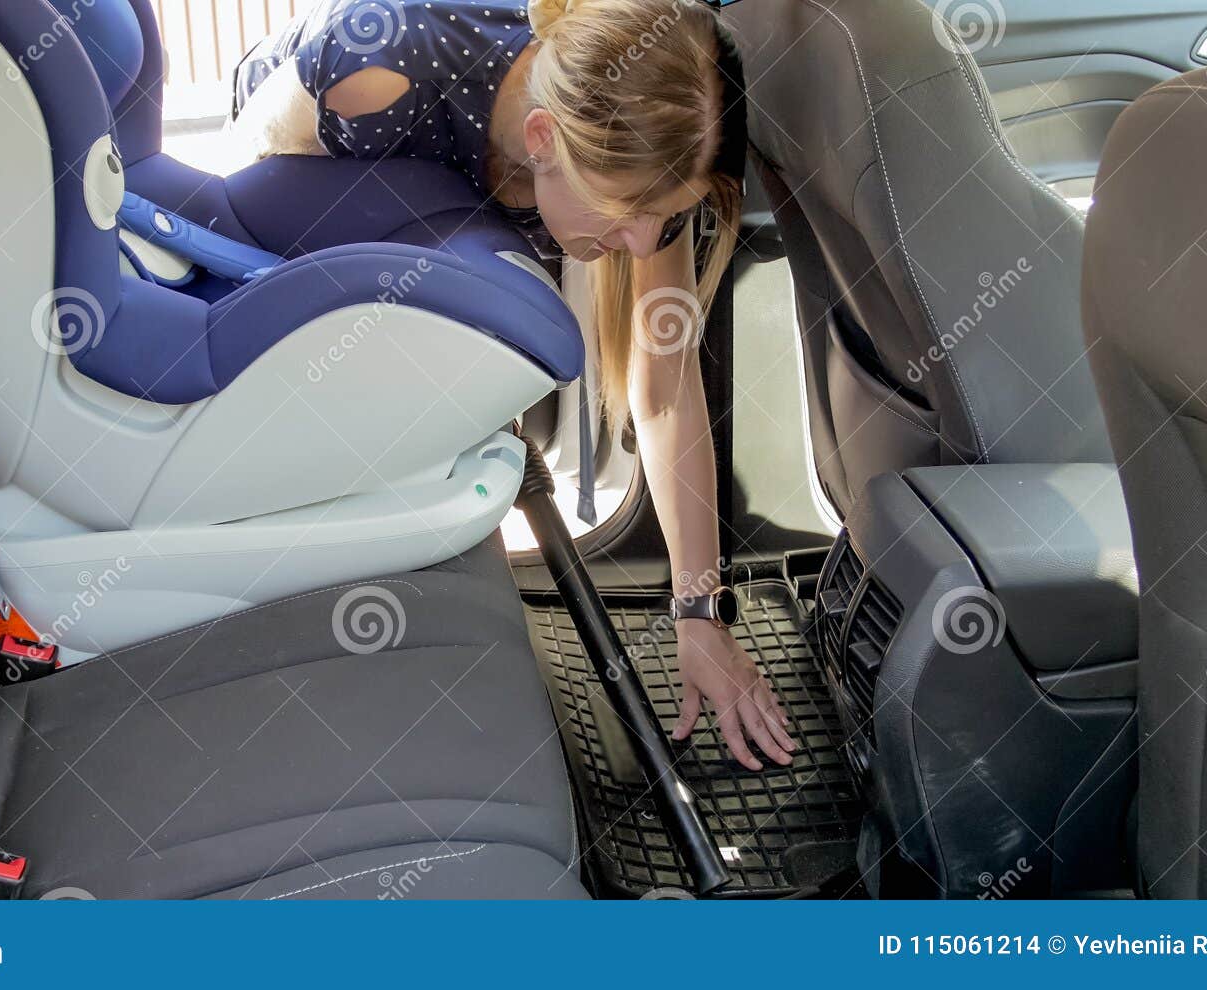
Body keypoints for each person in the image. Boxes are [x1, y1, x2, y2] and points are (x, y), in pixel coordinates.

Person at [232, 0, 797, 769]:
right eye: (628, 212)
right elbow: (244, 230)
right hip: (308, 170)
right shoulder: (380, 71)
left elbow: (663, 394)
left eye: (665, 221)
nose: (640, 244)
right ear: (542, 140)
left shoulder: (643, 167)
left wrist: (699, 612)